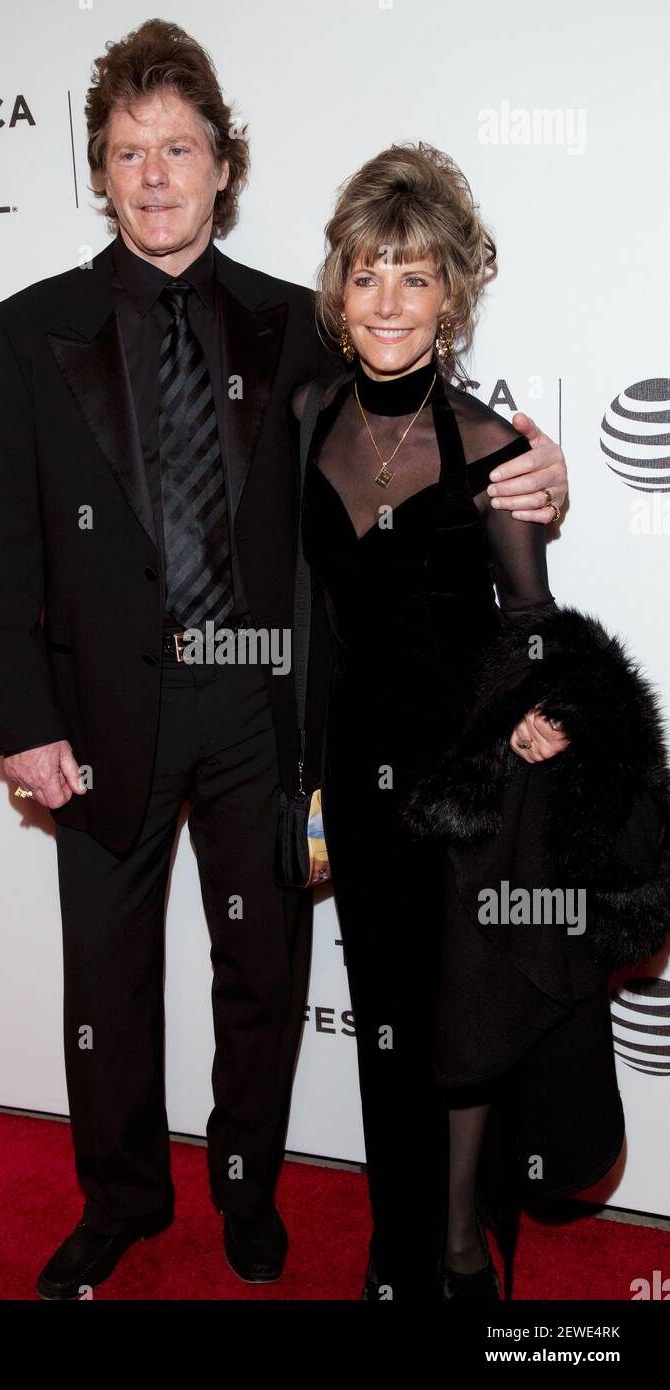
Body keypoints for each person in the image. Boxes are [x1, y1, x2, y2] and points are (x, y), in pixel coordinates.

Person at [0, 22, 568, 1299]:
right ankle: (122, 1196)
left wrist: (536, 465)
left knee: (263, 971)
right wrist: (22, 717)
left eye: (177, 146)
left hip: (259, 708)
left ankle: (246, 1188)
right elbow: (2, 548)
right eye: (127, 151)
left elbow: (415, 416)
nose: (153, 174)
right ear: (97, 167)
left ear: (222, 164)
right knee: (109, 979)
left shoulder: (299, 325)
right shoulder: (24, 333)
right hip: (97, 712)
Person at [292, 140, 669, 1303]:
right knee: (385, 1020)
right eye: (366, 274)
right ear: (337, 290)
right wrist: (306, 784)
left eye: (414, 276)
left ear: (451, 292)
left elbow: (531, 623)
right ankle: (394, 1232)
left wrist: (524, 731)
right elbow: (307, 615)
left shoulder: (496, 449)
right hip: (358, 778)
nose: (388, 301)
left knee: (460, 1020)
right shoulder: (304, 416)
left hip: (463, 786)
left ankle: (458, 1243)